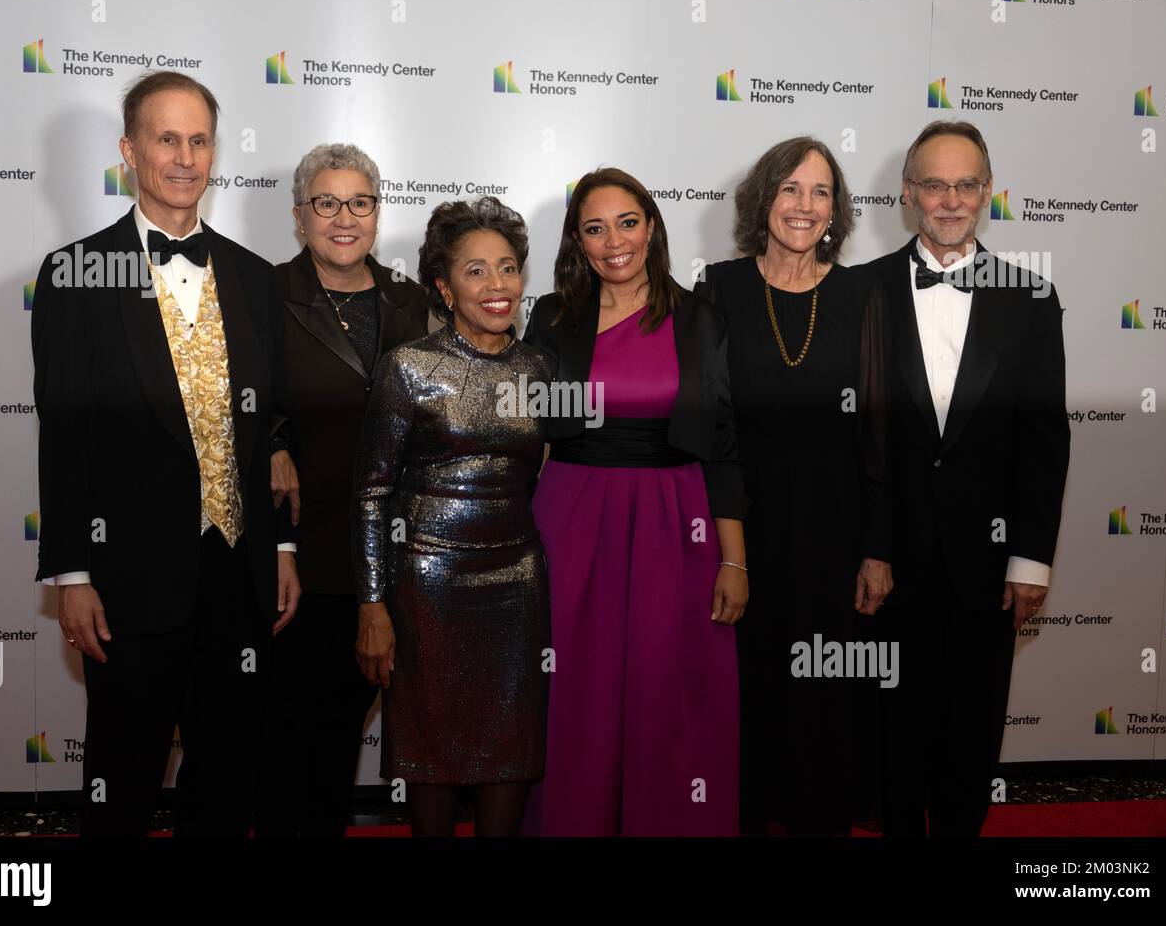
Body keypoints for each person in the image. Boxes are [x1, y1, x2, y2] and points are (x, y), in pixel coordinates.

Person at [30, 71, 300, 836]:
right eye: (166, 138)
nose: (185, 157)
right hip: (128, 583)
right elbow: (65, 431)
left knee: (225, 781)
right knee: (122, 778)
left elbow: (273, 424)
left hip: (239, 577)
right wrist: (72, 572)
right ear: (129, 150)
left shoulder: (253, 276)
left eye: (199, 139)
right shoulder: (74, 274)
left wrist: (281, 542)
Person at [522, 167, 747, 836]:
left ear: (651, 228)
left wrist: (733, 561)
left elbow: (723, 441)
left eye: (627, 222)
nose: (613, 240)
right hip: (571, 521)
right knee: (574, 694)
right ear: (577, 242)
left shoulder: (699, 315)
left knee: (668, 690)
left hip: (677, 522)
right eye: (595, 228)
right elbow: (527, 432)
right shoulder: (552, 317)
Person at [861, 120, 1069, 836]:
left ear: (988, 192)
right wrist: (871, 546)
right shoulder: (862, 291)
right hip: (888, 561)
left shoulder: (1032, 298)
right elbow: (853, 441)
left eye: (966, 183)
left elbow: (1045, 439)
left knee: (972, 730)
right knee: (891, 729)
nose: (950, 199)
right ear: (909, 193)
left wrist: (1031, 557)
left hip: (989, 560)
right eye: (934, 183)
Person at [699, 138, 892, 836]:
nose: (804, 206)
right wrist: (730, 550)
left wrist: (876, 547)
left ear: (835, 208)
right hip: (742, 536)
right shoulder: (718, 289)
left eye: (819, 192)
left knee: (825, 701)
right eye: (789, 189)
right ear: (763, 199)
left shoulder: (861, 294)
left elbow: (878, 435)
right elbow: (712, 428)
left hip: (834, 538)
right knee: (747, 699)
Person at [353, 197, 551, 837]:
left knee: (510, 754)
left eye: (508, 268)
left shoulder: (542, 369)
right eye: (475, 271)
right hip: (426, 589)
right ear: (443, 285)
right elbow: (372, 494)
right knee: (430, 757)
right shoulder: (408, 368)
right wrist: (374, 604)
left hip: (516, 585)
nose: (497, 286)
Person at [255, 144, 429, 836]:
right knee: (292, 737)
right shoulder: (264, 296)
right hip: (302, 556)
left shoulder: (413, 302)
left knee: (342, 733)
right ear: (301, 216)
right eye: (327, 202)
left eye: (361, 202)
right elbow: (233, 407)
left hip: (394, 558)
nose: (345, 218)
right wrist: (270, 444)